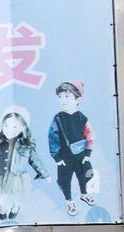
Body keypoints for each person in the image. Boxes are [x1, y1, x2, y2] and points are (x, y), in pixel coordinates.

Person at [48, 80, 96, 216]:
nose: (62, 100)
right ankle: (69, 200)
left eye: (67, 96)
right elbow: (53, 138)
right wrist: (56, 157)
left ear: (78, 99)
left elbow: (89, 135)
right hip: (64, 157)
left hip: (81, 154)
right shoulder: (58, 118)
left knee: (86, 175)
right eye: (60, 97)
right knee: (65, 180)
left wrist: (88, 152)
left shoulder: (82, 117)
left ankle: (84, 194)